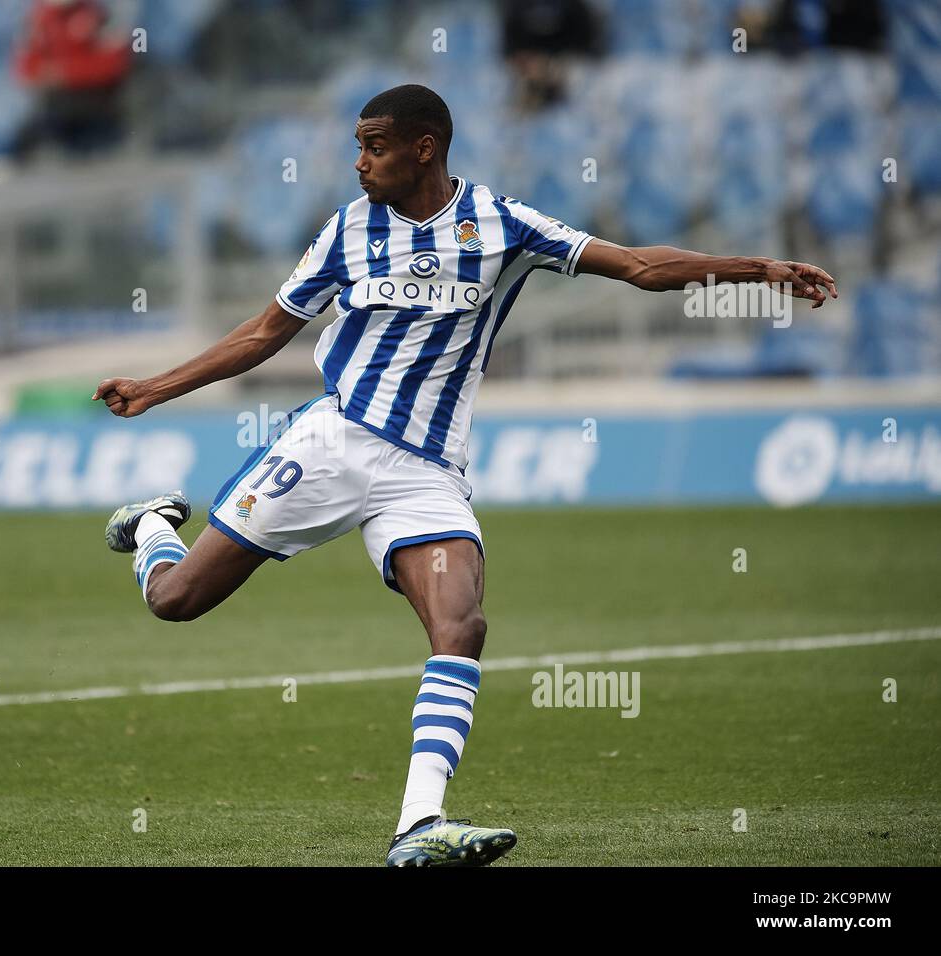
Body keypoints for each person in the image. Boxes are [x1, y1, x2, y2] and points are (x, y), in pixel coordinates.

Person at [94, 84, 836, 866]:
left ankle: (419, 827)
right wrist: (153, 387)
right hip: (330, 445)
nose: (359, 163)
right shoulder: (347, 231)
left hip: (425, 472)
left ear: (424, 147)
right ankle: (150, 526)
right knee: (175, 602)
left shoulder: (503, 225)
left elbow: (641, 267)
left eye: (374, 147)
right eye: (358, 146)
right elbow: (264, 333)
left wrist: (755, 268)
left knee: (462, 626)